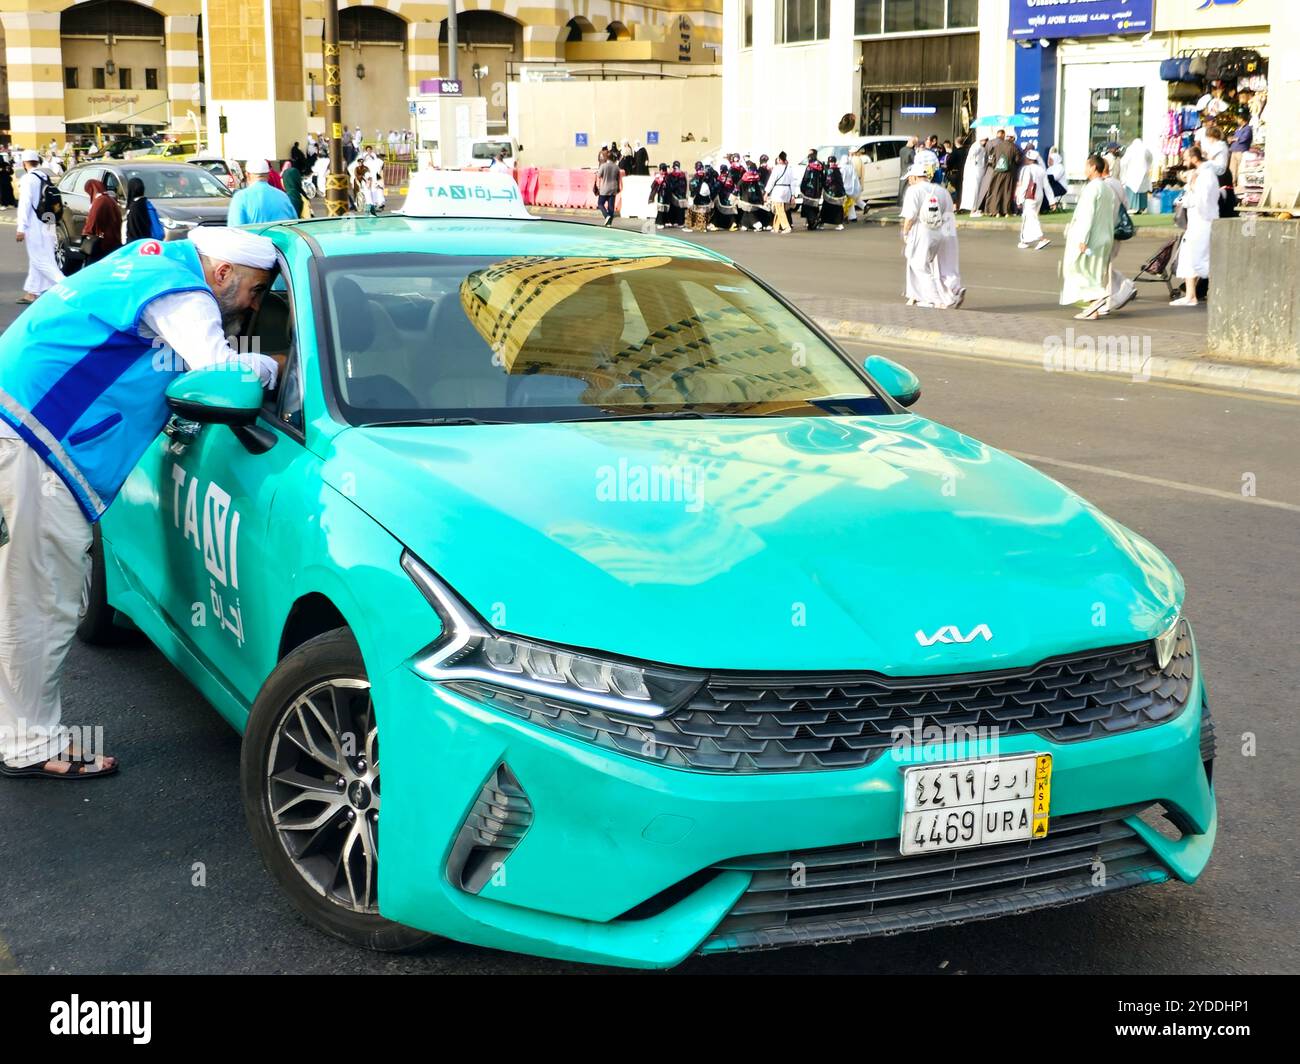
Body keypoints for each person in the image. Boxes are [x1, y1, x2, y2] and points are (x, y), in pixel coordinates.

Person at [0, 227, 281, 779]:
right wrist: (273, 366)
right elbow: (215, 368)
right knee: (41, 599)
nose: (252, 306)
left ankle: (17, 729)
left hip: (20, 428)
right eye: (253, 292)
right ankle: (29, 745)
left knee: (21, 591)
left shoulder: (152, 258)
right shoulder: (185, 292)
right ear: (221, 272)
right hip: (38, 445)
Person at [1059, 154, 1117, 320]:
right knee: (1094, 272)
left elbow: (1087, 215)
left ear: (1093, 168)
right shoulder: (1107, 188)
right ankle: (1093, 310)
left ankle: (1097, 298)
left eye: (1086, 166)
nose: (1084, 170)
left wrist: (1082, 239)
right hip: (1104, 237)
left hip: (1090, 239)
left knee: (1076, 268)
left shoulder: (1092, 188)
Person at [899, 163, 964, 309]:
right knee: (940, 264)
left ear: (915, 177)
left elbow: (909, 216)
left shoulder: (913, 191)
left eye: (909, 178)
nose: (909, 181)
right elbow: (948, 215)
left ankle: (936, 299)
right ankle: (950, 289)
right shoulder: (941, 191)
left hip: (921, 231)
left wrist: (905, 232)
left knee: (918, 265)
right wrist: (948, 236)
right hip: (941, 231)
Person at [14, 150, 64, 305]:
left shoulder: (28, 179)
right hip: (48, 222)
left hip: (34, 225)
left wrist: (21, 228)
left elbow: (25, 205)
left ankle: (66, 286)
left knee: (40, 260)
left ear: (24, 163)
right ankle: (32, 292)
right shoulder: (44, 176)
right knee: (41, 257)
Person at [1172, 145, 1218, 307]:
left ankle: (1195, 295)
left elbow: (1201, 200)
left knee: (1198, 259)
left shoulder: (1204, 175)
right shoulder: (1202, 174)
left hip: (1202, 221)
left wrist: (1186, 198)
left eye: (1185, 159)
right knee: (1190, 257)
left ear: (1193, 158)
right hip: (1199, 221)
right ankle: (1191, 295)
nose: (1184, 162)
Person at [1100, 157, 1137, 316]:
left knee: (1102, 267)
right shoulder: (1117, 183)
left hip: (1107, 229)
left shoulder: (1102, 185)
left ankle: (1112, 296)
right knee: (1104, 266)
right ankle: (1124, 286)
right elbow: (1126, 204)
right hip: (1118, 228)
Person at [228, 157, 297, 225]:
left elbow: (235, 231)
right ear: (268, 175)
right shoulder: (283, 196)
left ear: (247, 175)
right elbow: (294, 223)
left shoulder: (240, 198)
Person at [1015, 149, 1054, 251]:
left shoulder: (1026, 169)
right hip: (1039, 196)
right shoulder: (1041, 169)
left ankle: (1041, 238)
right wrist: (1052, 201)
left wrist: (1019, 199)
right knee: (1031, 217)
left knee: (1030, 217)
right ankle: (1026, 240)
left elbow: (1024, 185)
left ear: (1028, 159)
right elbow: (1047, 186)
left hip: (1030, 196)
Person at [81, 178, 122, 265]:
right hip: (114, 241)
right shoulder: (110, 199)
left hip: (103, 244)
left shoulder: (99, 201)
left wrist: (85, 233)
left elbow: (93, 222)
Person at [983, 129, 1019, 217]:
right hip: (1008, 173)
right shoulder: (1014, 147)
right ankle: (1006, 212)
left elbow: (991, 160)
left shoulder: (997, 146)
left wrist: (996, 166)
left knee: (996, 191)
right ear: (1013, 138)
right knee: (1007, 191)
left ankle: (995, 211)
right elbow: (1017, 160)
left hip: (997, 172)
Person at [124, 176, 164, 243]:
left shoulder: (134, 207)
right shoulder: (147, 204)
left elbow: (133, 231)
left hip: (137, 245)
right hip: (150, 243)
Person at [765, 150, 795, 235]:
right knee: (780, 209)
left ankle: (786, 227)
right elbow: (793, 182)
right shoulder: (789, 168)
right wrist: (793, 195)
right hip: (787, 190)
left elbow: (771, 181)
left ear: (780, 159)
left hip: (778, 190)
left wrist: (766, 192)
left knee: (779, 209)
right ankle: (776, 227)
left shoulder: (777, 168)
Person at [1120, 136, 1153, 213]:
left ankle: (1133, 207)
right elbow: (1150, 158)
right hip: (1143, 173)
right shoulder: (1145, 149)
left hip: (1132, 174)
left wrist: (1123, 173)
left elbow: (1124, 162)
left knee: (1133, 190)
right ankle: (1142, 207)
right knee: (1142, 191)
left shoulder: (1130, 149)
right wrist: (1147, 166)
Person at [799, 149, 825, 230]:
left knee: (808, 206)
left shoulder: (810, 166)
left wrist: (802, 188)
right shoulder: (820, 164)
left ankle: (812, 222)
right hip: (818, 190)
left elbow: (806, 178)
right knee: (815, 206)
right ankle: (814, 221)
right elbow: (824, 177)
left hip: (809, 189)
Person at [960, 134, 986, 213]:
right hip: (975, 171)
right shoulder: (977, 146)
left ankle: (975, 207)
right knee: (974, 189)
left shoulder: (980, 146)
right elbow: (973, 156)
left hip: (978, 170)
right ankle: (973, 208)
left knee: (976, 189)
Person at [596, 149, 623, 227]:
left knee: (600, 203)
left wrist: (598, 186)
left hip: (604, 188)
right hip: (613, 187)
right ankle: (609, 223)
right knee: (611, 206)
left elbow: (599, 176)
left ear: (606, 158)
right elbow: (618, 178)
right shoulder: (616, 167)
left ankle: (606, 215)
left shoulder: (603, 166)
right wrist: (619, 187)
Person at [820, 155, 847, 230]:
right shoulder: (834, 170)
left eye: (832, 162)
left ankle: (839, 224)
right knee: (826, 208)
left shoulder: (833, 170)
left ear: (835, 162)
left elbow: (828, 181)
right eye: (830, 162)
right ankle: (822, 223)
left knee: (836, 208)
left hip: (835, 193)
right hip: (830, 193)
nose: (831, 163)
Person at [649, 162, 673, 229]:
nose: (662, 171)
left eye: (663, 170)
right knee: (661, 208)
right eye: (661, 170)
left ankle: (666, 221)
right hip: (661, 194)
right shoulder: (658, 177)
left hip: (667, 194)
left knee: (667, 208)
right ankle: (660, 222)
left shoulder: (668, 176)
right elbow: (652, 186)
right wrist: (658, 181)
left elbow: (671, 185)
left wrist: (665, 182)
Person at [898, 136, 917, 203]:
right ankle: (905, 202)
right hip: (909, 172)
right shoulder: (911, 151)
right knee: (908, 188)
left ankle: (900, 202)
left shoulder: (902, 150)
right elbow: (915, 161)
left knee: (901, 188)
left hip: (902, 171)